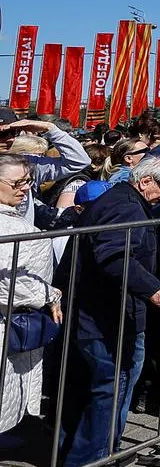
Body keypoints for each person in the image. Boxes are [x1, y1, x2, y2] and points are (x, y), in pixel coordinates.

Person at [60, 156, 160, 467]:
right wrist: (154, 288)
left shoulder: (124, 201)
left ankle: (93, 450)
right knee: (114, 378)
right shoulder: (124, 205)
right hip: (105, 311)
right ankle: (93, 455)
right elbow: (114, 257)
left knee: (110, 377)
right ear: (145, 181)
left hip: (107, 308)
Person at [0, 154, 62, 434]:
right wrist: (48, 294)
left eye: (27, 182)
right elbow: (7, 283)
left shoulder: (13, 217)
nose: (24, 188)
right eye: (16, 183)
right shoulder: (7, 225)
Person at [0, 112, 90, 224]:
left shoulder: (27, 163)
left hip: (22, 237)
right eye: (3, 134)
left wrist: (49, 128)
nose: (10, 139)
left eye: (14, 133)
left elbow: (79, 161)